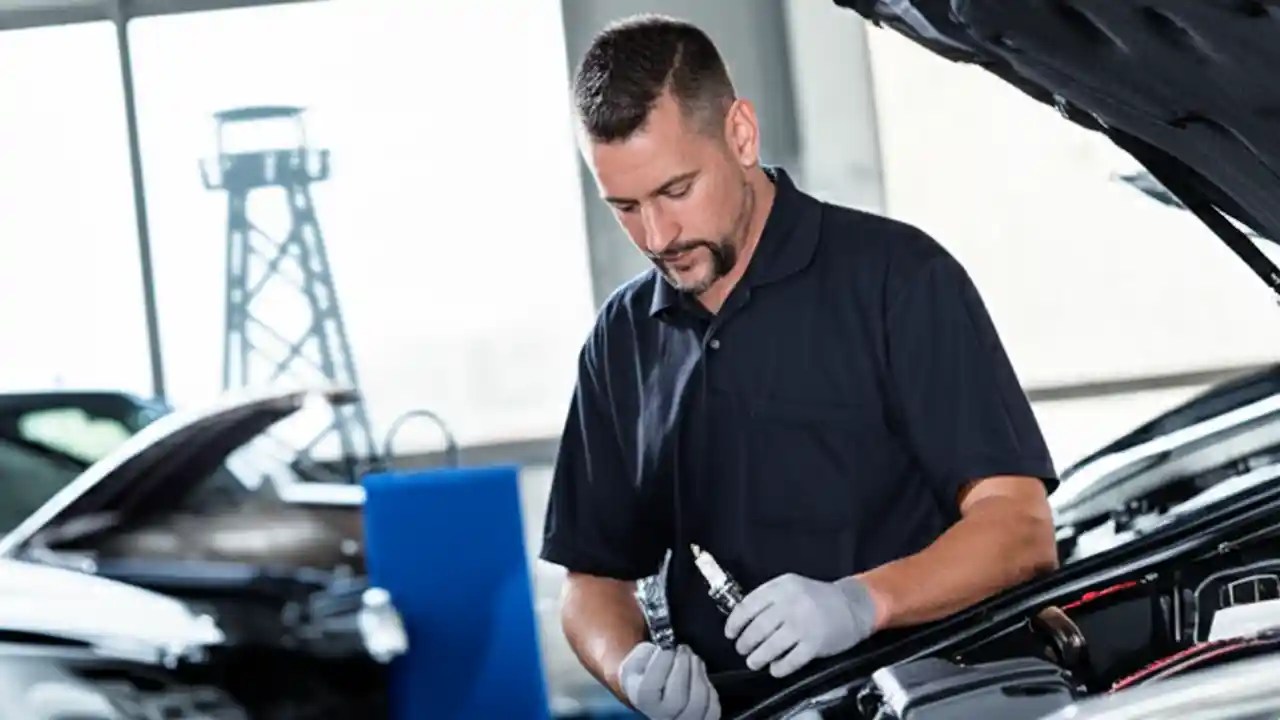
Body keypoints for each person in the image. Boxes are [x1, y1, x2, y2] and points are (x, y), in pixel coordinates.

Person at [540, 13, 1060, 719]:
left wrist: (861, 603)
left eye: (676, 190)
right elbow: (592, 581)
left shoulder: (899, 280)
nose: (657, 235)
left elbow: (1020, 529)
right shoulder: (620, 342)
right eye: (625, 207)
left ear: (741, 135)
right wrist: (627, 667)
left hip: (934, 698)